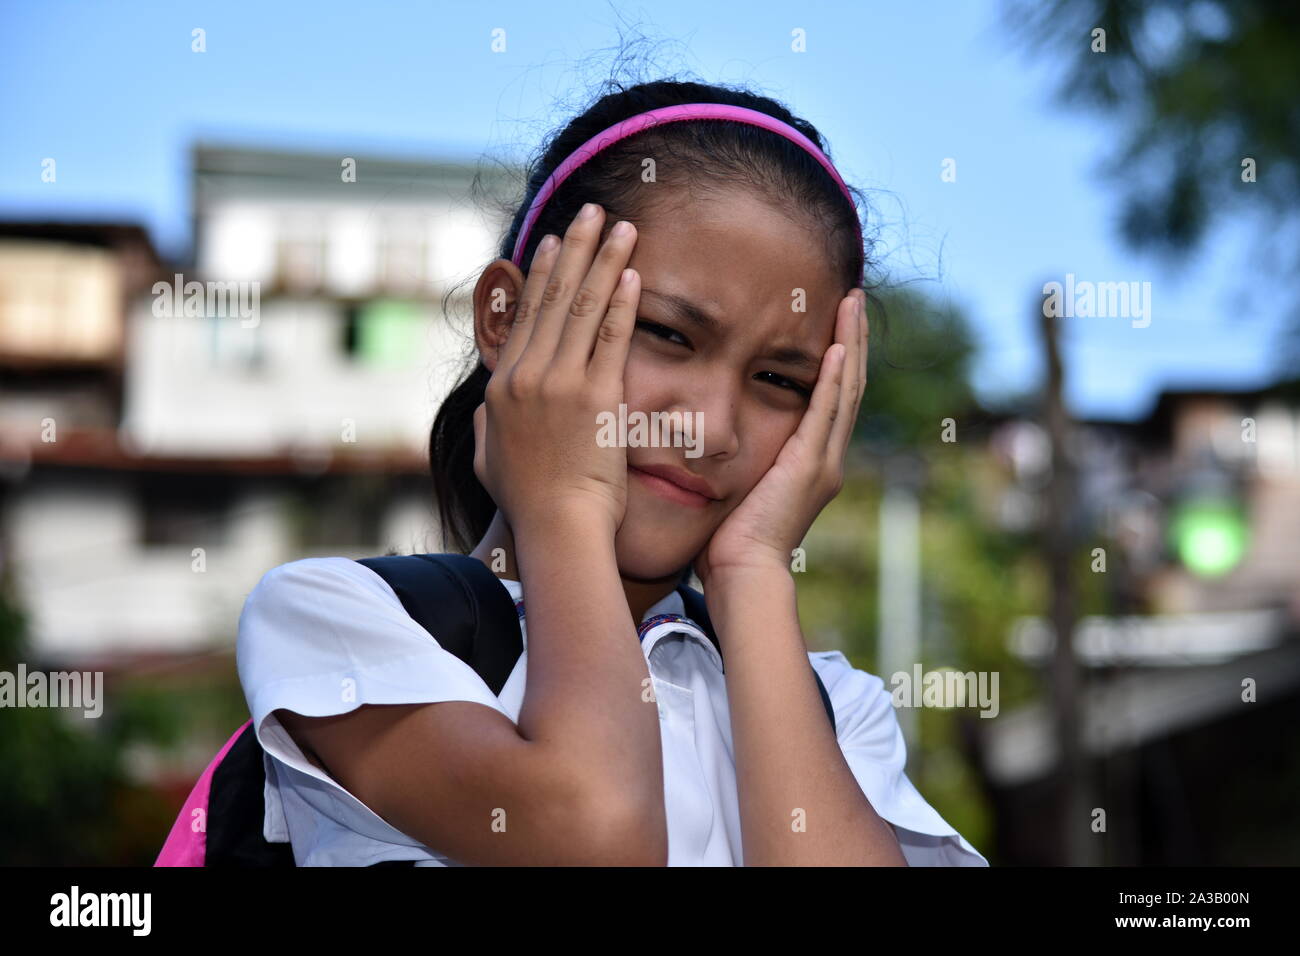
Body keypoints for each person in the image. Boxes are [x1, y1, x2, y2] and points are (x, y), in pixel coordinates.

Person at [236, 77, 990, 866]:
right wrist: (565, 507)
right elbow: (597, 836)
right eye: (666, 332)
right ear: (507, 317)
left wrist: (754, 572)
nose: (711, 427)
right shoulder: (341, 620)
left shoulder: (834, 709)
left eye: (780, 382)